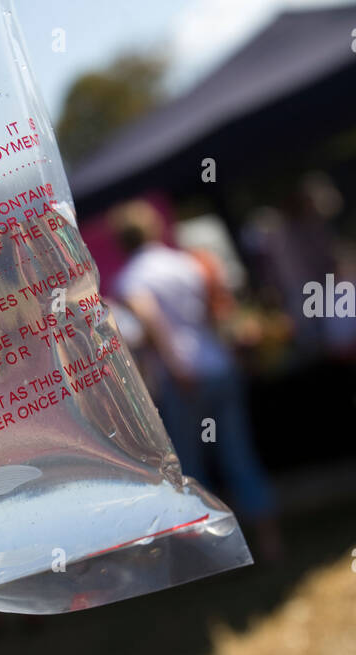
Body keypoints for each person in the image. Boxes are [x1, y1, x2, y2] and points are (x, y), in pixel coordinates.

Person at [109, 201, 280, 558]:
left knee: (191, 468)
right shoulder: (187, 264)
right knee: (238, 454)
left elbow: (149, 318)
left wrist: (175, 366)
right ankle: (268, 540)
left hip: (183, 378)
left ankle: (214, 554)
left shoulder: (133, 277)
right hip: (218, 365)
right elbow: (217, 310)